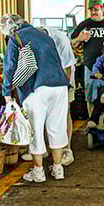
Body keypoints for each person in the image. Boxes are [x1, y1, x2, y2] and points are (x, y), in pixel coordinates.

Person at [0, 14, 70, 183]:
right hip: (60, 85)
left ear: (10, 29)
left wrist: (7, 93)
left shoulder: (16, 37)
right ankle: (58, 169)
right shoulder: (44, 35)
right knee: (57, 127)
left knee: (35, 130)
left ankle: (38, 172)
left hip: (37, 88)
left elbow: (10, 67)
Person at [71, 0, 104, 113]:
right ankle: (92, 124)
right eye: (91, 10)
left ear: (102, 9)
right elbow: (72, 43)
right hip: (90, 67)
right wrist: (79, 38)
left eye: (96, 9)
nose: (93, 12)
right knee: (91, 97)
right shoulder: (84, 25)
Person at [34, 26, 76, 167]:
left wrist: (64, 88)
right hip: (45, 78)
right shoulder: (35, 39)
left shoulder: (61, 40)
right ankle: (44, 148)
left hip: (64, 77)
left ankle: (66, 148)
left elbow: (68, 67)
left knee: (64, 112)